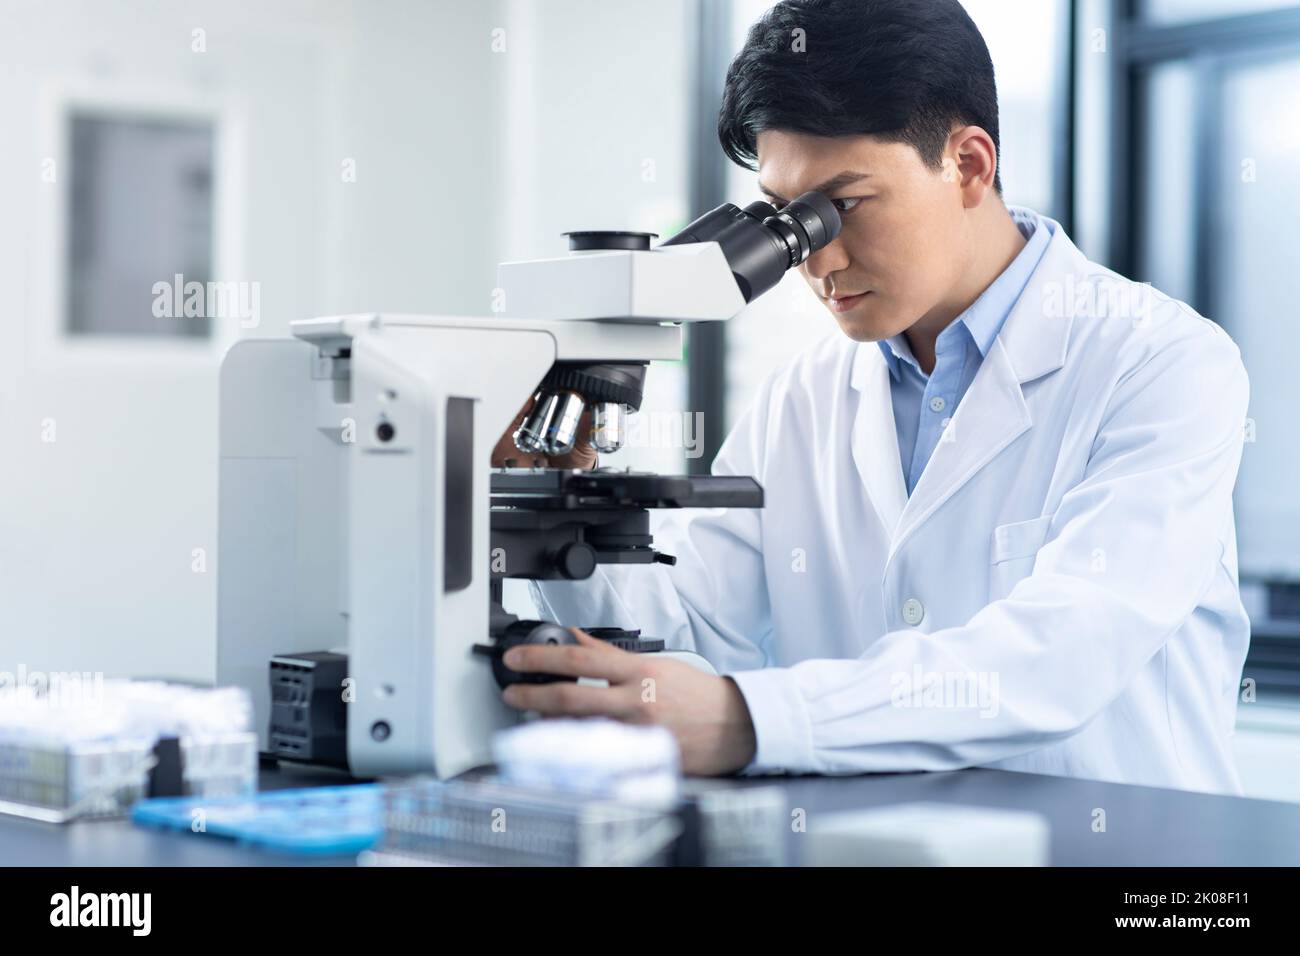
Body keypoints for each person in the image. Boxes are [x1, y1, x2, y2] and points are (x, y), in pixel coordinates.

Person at [492, 0, 1251, 794]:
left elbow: (1061, 655)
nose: (818, 259)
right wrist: (550, 500)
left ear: (968, 165)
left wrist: (749, 721)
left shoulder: (1161, 363)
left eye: (842, 206)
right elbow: (688, 629)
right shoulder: (801, 399)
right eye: (788, 217)